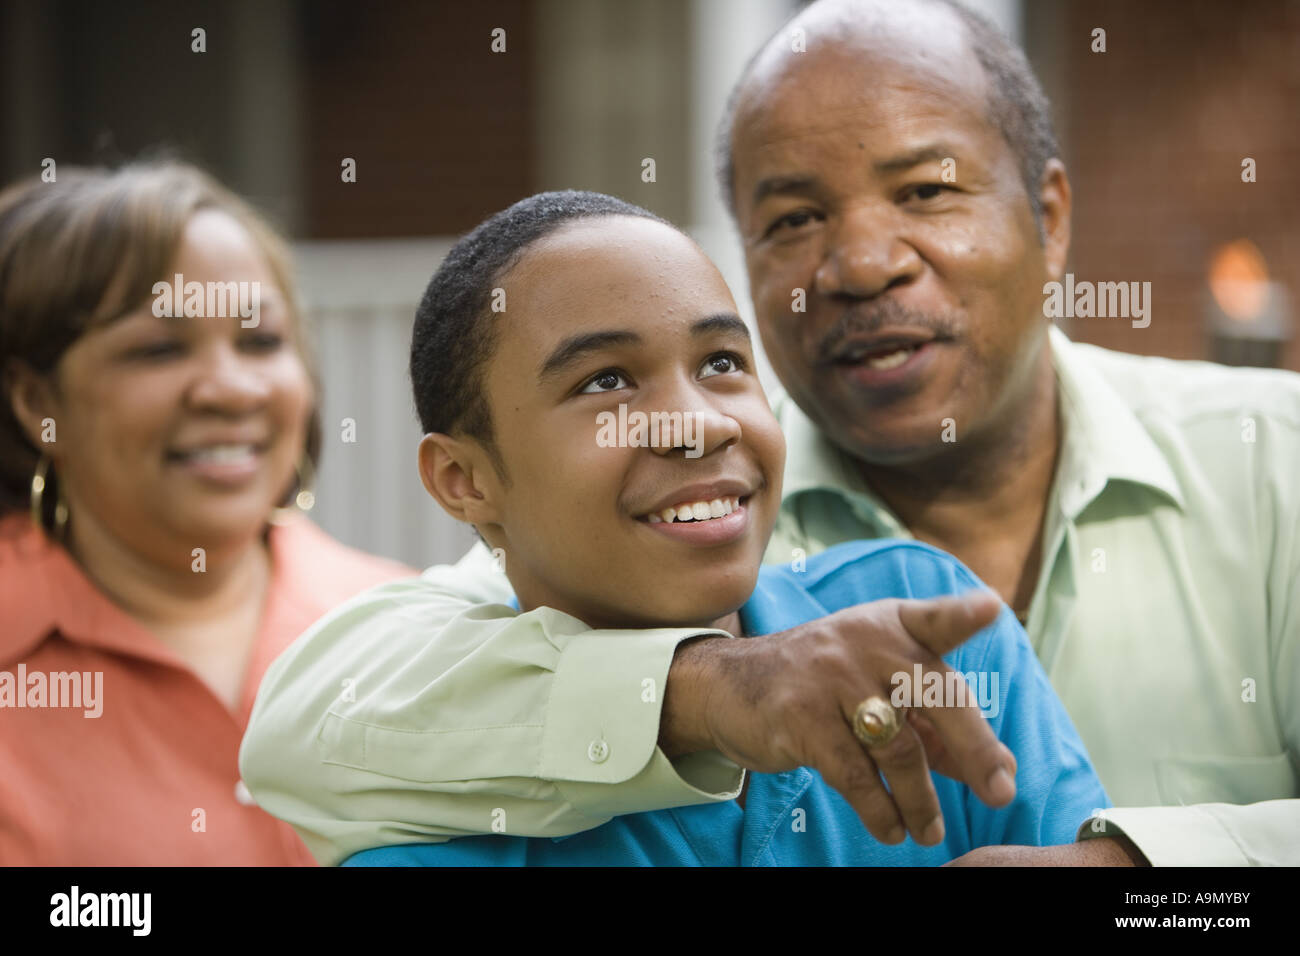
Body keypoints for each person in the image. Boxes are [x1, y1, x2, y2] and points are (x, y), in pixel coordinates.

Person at [240, 0, 1300, 867]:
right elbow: (311, 725)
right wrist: (710, 687)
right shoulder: (654, 528)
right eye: (792, 220)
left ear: (1052, 218)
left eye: (925, 190)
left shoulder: (1274, 459)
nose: (861, 262)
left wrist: (1139, 874)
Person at [242, 190, 1108, 866]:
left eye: (722, 363)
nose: (695, 423)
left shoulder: (922, 623)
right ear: (464, 480)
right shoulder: (437, 811)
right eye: (605, 382)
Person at [0, 160, 414, 865]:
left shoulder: (415, 627)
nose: (231, 389)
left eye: (261, 342)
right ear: (40, 404)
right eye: (158, 348)